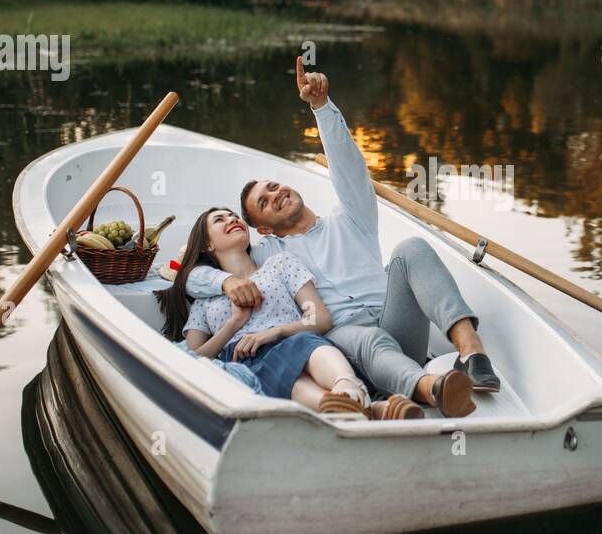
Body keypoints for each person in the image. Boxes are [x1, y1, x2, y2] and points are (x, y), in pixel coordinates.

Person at [186, 57, 502, 418]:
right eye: (265, 201)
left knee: (411, 247)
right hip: (344, 340)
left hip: (398, 326)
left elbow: (346, 164)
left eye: (274, 186)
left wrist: (320, 106)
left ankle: (473, 355)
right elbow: (188, 268)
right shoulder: (266, 254)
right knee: (366, 338)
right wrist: (225, 281)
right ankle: (432, 390)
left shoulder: (351, 216)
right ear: (264, 228)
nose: (275, 194)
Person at [157, 207, 425, 422]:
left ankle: (349, 388)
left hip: (296, 340)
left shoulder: (279, 264)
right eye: (220, 219)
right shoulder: (206, 299)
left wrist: (276, 331)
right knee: (287, 378)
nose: (232, 219)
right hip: (245, 360)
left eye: (234, 215)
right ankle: (372, 410)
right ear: (207, 244)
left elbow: (320, 319)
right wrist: (233, 324)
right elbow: (194, 358)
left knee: (304, 345)